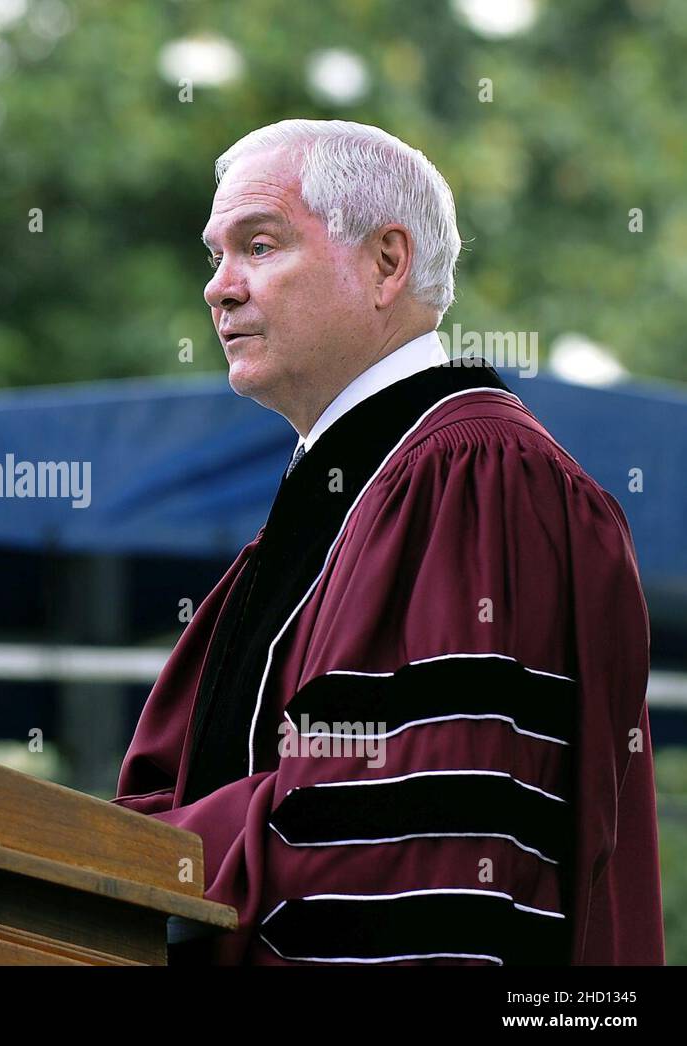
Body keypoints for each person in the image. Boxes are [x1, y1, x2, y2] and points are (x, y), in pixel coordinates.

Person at [113, 119, 664, 965]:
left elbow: (411, 844)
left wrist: (140, 854)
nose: (218, 289)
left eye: (259, 245)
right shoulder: (335, 507)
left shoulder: (478, 485)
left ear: (386, 263)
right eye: (214, 256)